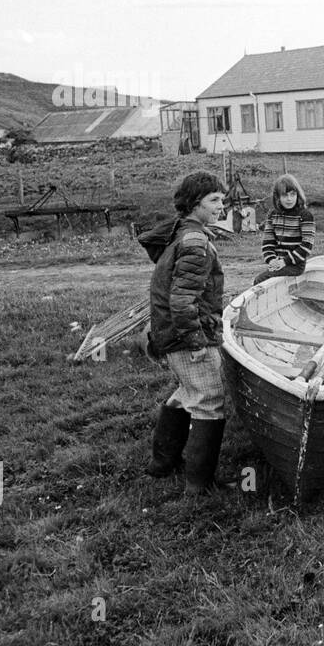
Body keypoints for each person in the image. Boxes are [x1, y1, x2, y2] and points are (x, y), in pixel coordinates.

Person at [138, 171, 229, 494]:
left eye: (222, 199)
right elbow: (181, 300)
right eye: (214, 200)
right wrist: (197, 343)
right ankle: (199, 485)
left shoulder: (182, 232)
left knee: (185, 392)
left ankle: (162, 464)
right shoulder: (195, 242)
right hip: (185, 334)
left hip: (169, 332)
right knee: (209, 399)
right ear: (194, 204)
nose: (222, 206)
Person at [254, 174, 316, 286]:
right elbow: (268, 242)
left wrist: (284, 261)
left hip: (295, 265)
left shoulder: (305, 216)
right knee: (263, 280)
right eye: (284, 195)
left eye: (293, 194)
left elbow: (306, 246)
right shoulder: (273, 215)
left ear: (298, 195)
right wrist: (271, 260)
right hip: (278, 263)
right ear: (277, 197)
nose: (289, 199)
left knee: (260, 280)